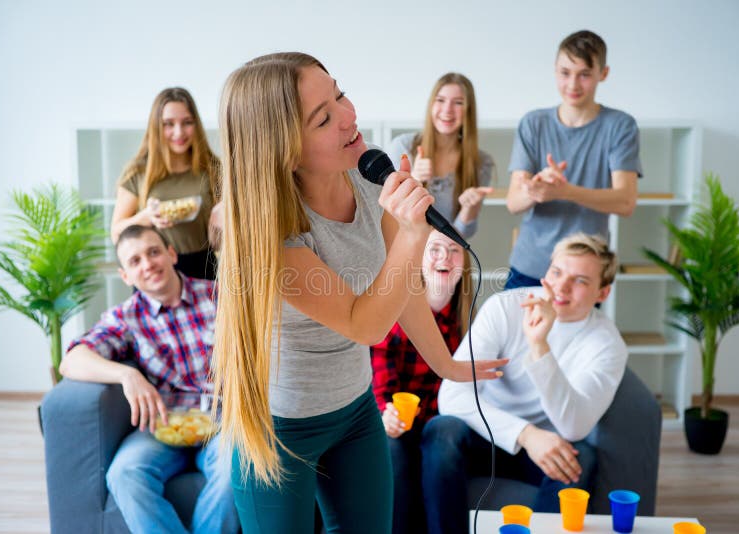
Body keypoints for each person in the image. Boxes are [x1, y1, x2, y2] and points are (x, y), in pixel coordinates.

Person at [211, 52, 506, 534]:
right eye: (324, 117)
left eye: (340, 93)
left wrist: (447, 365)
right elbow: (365, 323)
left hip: (354, 411)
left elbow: (402, 289)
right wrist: (412, 237)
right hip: (280, 430)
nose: (349, 115)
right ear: (283, 148)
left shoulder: (368, 180)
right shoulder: (271, 236)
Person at [421, 233, 628, 534]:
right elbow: (452, 395)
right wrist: (526, 434)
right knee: (442, 431)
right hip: (486, 434)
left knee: (581, 456)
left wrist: (539, 346)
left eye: (580, 280)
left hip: (545, 451)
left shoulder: (607, 343)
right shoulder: (504, 309)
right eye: (557, 272)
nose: (562, 287)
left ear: (603, 293)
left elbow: (574, 427)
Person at [59, 225, 239, 534]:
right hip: (161, 426)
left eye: (154, 252)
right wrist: (127, 375)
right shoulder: (125, 317)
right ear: (126, 275)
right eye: (135, 261)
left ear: (171, 254)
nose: (148, 264)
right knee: (124, 474)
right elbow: (72, 360)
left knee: (237, 470)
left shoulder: (218, 295)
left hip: (223, 422)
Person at [504, 30, 642, 290]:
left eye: (585, 74)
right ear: (555, 71)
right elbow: (513, 202)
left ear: (604, 73)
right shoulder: (533, 123)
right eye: (565, 73)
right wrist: (537, 189)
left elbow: (626, 201)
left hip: (584, 272)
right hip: (531, 266)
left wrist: (565, 192)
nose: (573, 84)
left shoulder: (620, 126)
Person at [370, 230, 473, 534]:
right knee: (391, 445)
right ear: (419, 261)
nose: (444, 257)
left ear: (464, 263)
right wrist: (385, 412)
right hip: (399, 424)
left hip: (440, 426)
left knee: (447, 430)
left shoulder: (468, 320)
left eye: (454, 251)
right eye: (435, 250)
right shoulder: (397, 313)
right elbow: (380, 380)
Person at [111, 87, 222, 280]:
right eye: (168, 124)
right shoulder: (138, 172)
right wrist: (146, 217)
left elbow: (221, 237)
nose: (179, 132)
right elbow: (116, 233)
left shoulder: (212, 169)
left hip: (203, 267)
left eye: (187, 122)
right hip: (154, 270)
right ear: (156, 127)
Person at [387, 72, 495, 240]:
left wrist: (469, 210)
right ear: (431, 104)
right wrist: (414, 180)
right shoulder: (403, 147)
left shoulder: (481, 163)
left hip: (445, 258)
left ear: (469, 111)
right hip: (403, 252)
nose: (447, 110)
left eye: (458, 103)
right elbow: (388, 218)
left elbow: (460, 238)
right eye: (440, 100)